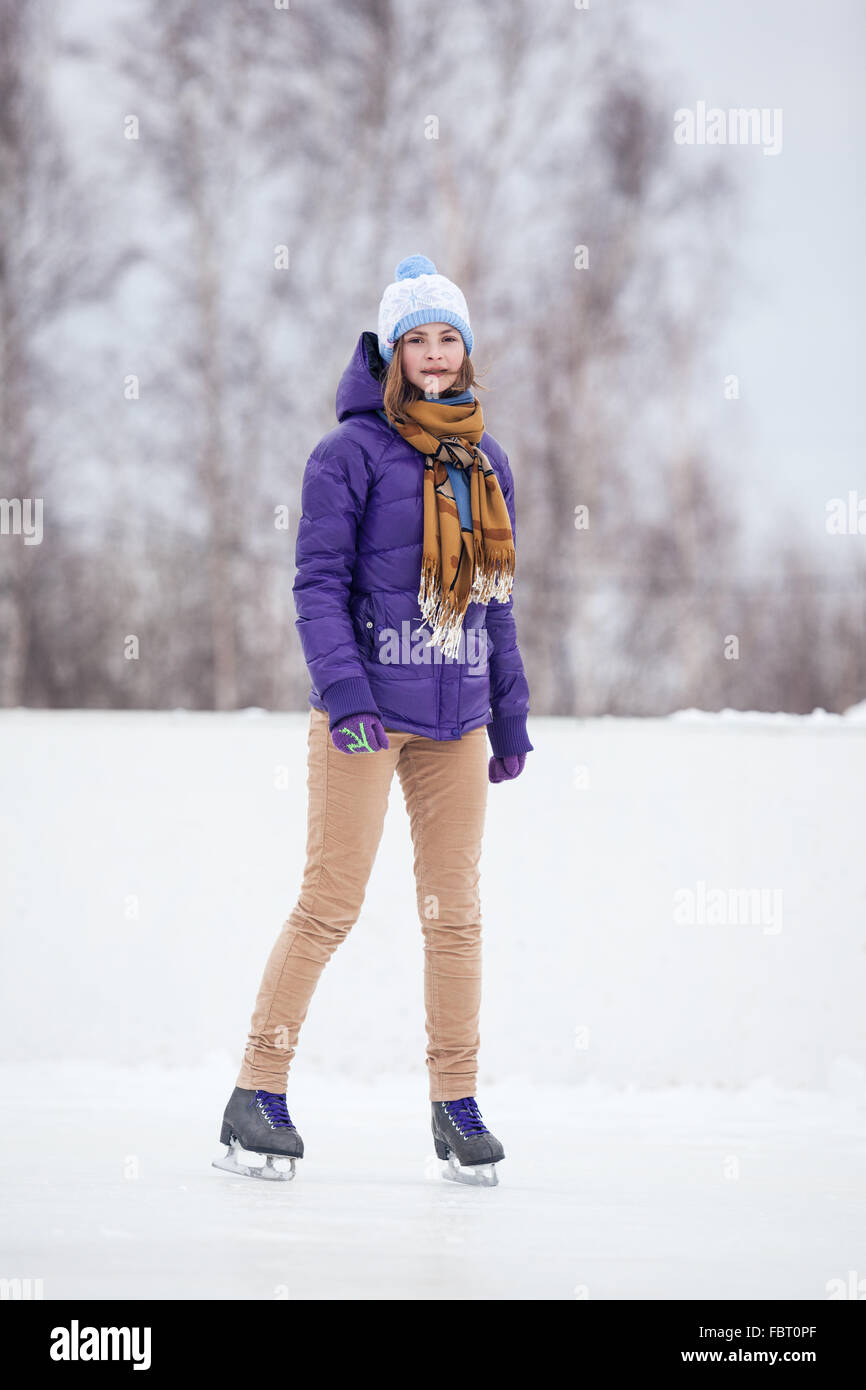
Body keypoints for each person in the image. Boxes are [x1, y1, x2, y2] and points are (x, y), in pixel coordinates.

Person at [213, 255, 534, 1186]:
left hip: (457, 713)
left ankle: (456, 1104)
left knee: (455, 915)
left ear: (466, 353)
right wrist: (346, 695)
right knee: (330, 904)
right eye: (418, 341)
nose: (435, 357)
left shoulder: (487, 459)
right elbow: (317, 588)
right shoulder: (345, 455)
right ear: (391, 354)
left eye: (449, 340)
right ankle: (256, 1091)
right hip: (364, 710)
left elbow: (496, 604)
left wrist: (508, 717)